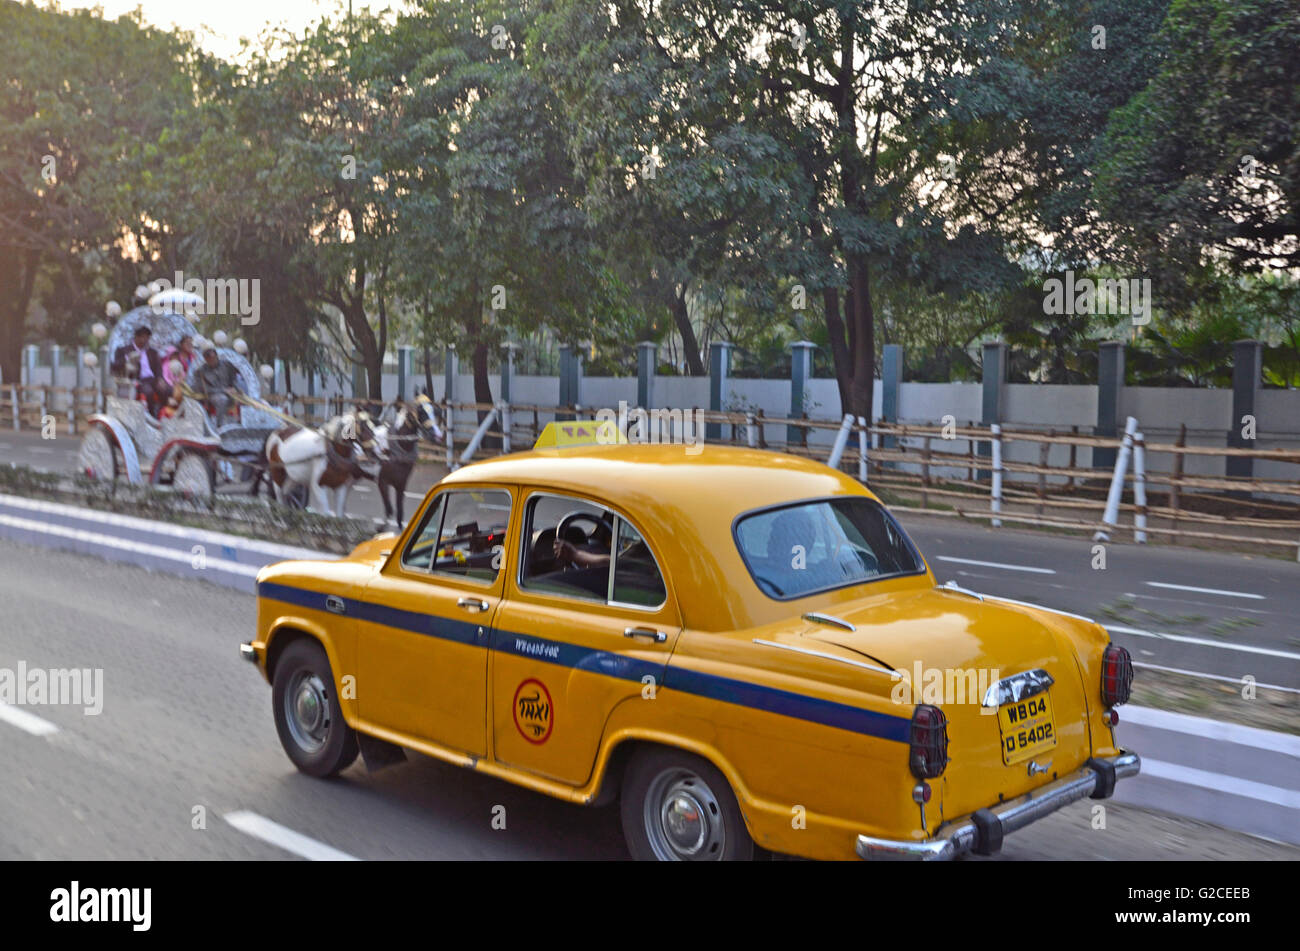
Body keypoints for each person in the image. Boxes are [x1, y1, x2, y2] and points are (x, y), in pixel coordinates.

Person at [110, 325, 167, 416]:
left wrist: (160, 378)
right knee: (148, 391)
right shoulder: (124, 350)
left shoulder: (152, 352)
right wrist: (128, 357)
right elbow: (114, 366)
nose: (145, 340)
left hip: (153, 379)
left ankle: (164, 414)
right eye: (143, 337)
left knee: (167, 389)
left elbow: (158, 368)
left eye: (148, 338)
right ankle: (152, 416)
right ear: (137, 337)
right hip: (138, 380)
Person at [195, 347, 241, 421]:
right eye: (208, 359)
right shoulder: (201, 372)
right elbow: (204, 389)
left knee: (243, 396)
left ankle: (242, 421)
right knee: (222, 399)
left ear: (217, 356)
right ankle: (220, 424)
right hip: (213, 394)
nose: (212, 360)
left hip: (230, 391)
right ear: (205, 359)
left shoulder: (227, 365)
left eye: (213, 358)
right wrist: (224, 390)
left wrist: (235, 388)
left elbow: (234, 379)